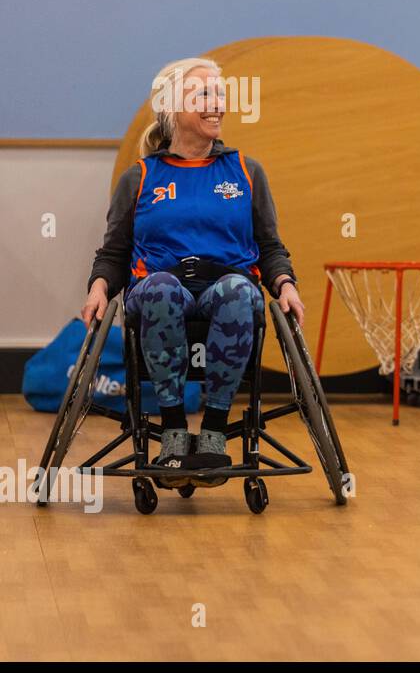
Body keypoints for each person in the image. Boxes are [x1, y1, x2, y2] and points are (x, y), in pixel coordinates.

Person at [81, 57, 304, 483]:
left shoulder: (245, 171)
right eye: (203, 94)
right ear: (170, 107)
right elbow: (113, 252)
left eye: (220, 94)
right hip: (161, 288)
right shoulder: (141, 176)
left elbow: (271, 246)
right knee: (162, 288)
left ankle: (215, 432)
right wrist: (98, 288)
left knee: (240, 291)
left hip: (226, 285)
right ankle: (174, 432)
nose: (217, 104)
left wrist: (285, 284)